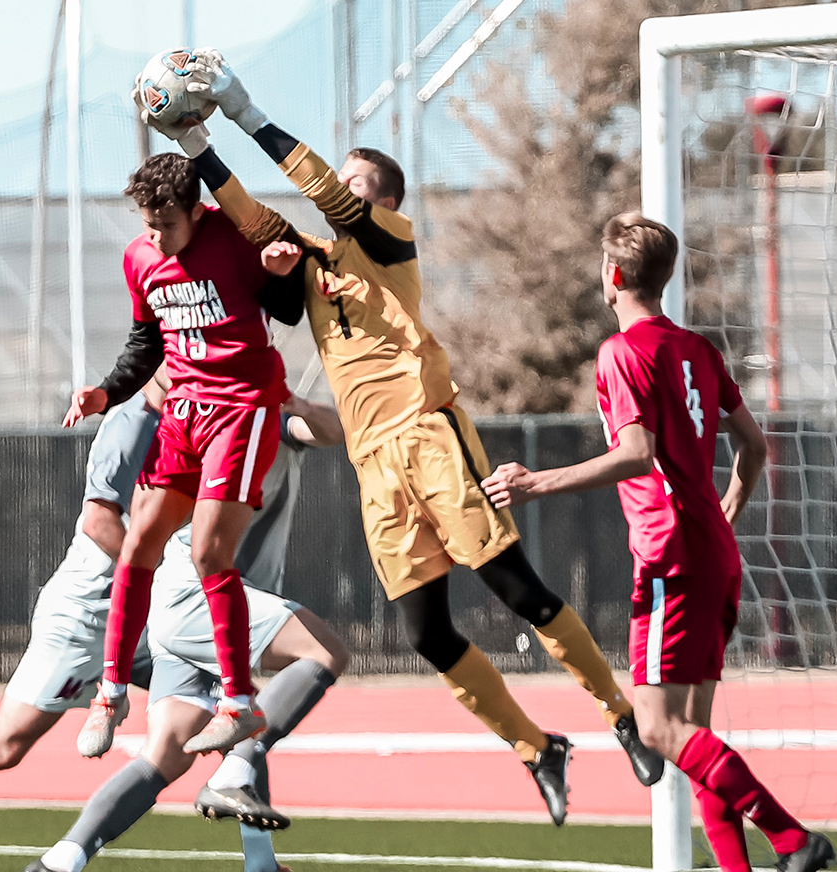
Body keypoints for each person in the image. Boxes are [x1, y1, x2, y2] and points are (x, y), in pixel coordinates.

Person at [133, 52, 664, 829]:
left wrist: (247, 114)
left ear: (380, 201)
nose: (334, 188)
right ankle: (536, 747)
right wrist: (196, 144)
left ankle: (620, 715)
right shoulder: (313, 262)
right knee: (427, 632)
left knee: (517, 590)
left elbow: (317, 189)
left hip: (428, 434)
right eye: (340, 180)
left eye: (352, 182)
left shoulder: (390, 242)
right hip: (373, 462)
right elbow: (250, 216)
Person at [0, 379, 336, 872]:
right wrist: (164, 572)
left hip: (145, 614)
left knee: (223, 708)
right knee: (4, 746)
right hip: (87, 618)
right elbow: (99, 522)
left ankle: (258, 867)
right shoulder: (130, 423)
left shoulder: (210, 414)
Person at [483, 212, 836, 872]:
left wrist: (535, 483)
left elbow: (637, 453)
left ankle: (793, 839)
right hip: (708, 544)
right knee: (692, 729)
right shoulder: (696, 348)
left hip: (671, 553)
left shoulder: (621, 353)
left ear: (613, 277)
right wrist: (725, 510)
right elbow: (755, 446)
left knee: (657, 727)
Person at [23, 395, 351, 872]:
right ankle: (236, 778)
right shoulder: (244, 411)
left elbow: (332, 430)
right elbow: (341, 432)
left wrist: (293, 401)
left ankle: (62, 860)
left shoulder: (234, 411)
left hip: (178, 603)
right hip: (202, 601)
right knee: (322, 652)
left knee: (166, 754)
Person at [62, 152, 306, 763]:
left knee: (206, 553)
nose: (156, 236)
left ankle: (239, 702)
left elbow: (290, 309)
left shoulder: (236, 235)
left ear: (200, 211)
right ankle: (110, 693)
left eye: (167, 224)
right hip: (183, 414)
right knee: (141, 538)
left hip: (241, 410)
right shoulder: (140, 256)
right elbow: (146, 344)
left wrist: (278, 273)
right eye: (148, 224)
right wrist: (106, 392)